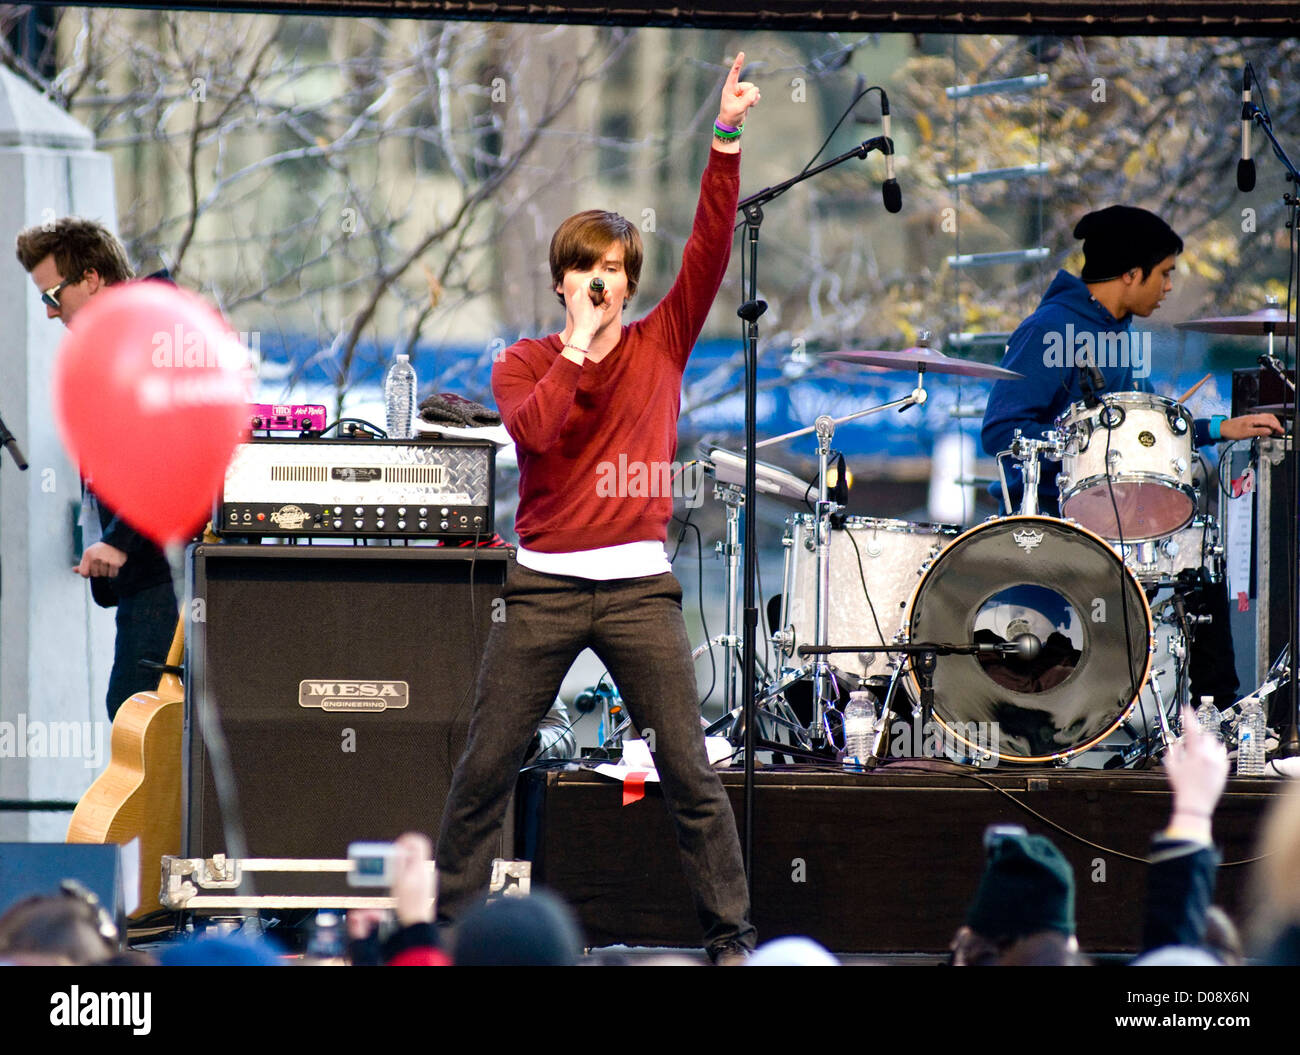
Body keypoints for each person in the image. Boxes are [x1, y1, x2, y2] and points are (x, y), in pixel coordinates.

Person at [434, 52, 760, 964]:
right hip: (541, 584)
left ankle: (731, 938)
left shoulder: (662, 341)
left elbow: (709, 242)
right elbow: (535, 437)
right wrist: (576, 349)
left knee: (691, 774)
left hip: (636, 589)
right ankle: (454, 935)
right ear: (563, 282)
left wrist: (725, 137)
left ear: (630, 279)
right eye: (588, 272)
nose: (604, 284)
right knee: (485, 767)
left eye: (616, 271)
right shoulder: (527, 361)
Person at [981, 205, 1283, 711]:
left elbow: (1148, 434)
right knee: (1195, 575)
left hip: (1115, 516)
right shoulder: (1050, 329)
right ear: (1130, 274)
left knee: (1200, 565)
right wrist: (1082, 439)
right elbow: (999, 429)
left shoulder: (1119, 334)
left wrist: (1217, 428)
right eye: (1163, 273)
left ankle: (1213, 723)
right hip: (1051, 521)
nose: (1168, 286)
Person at [15, 218, 177, 721]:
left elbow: (171, 447)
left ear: (91, 278)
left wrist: (119, 540)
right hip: (149, 573)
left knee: (139, 717)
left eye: (54, 295)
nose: (49, 312)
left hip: (164, 572)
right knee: (138, 718)